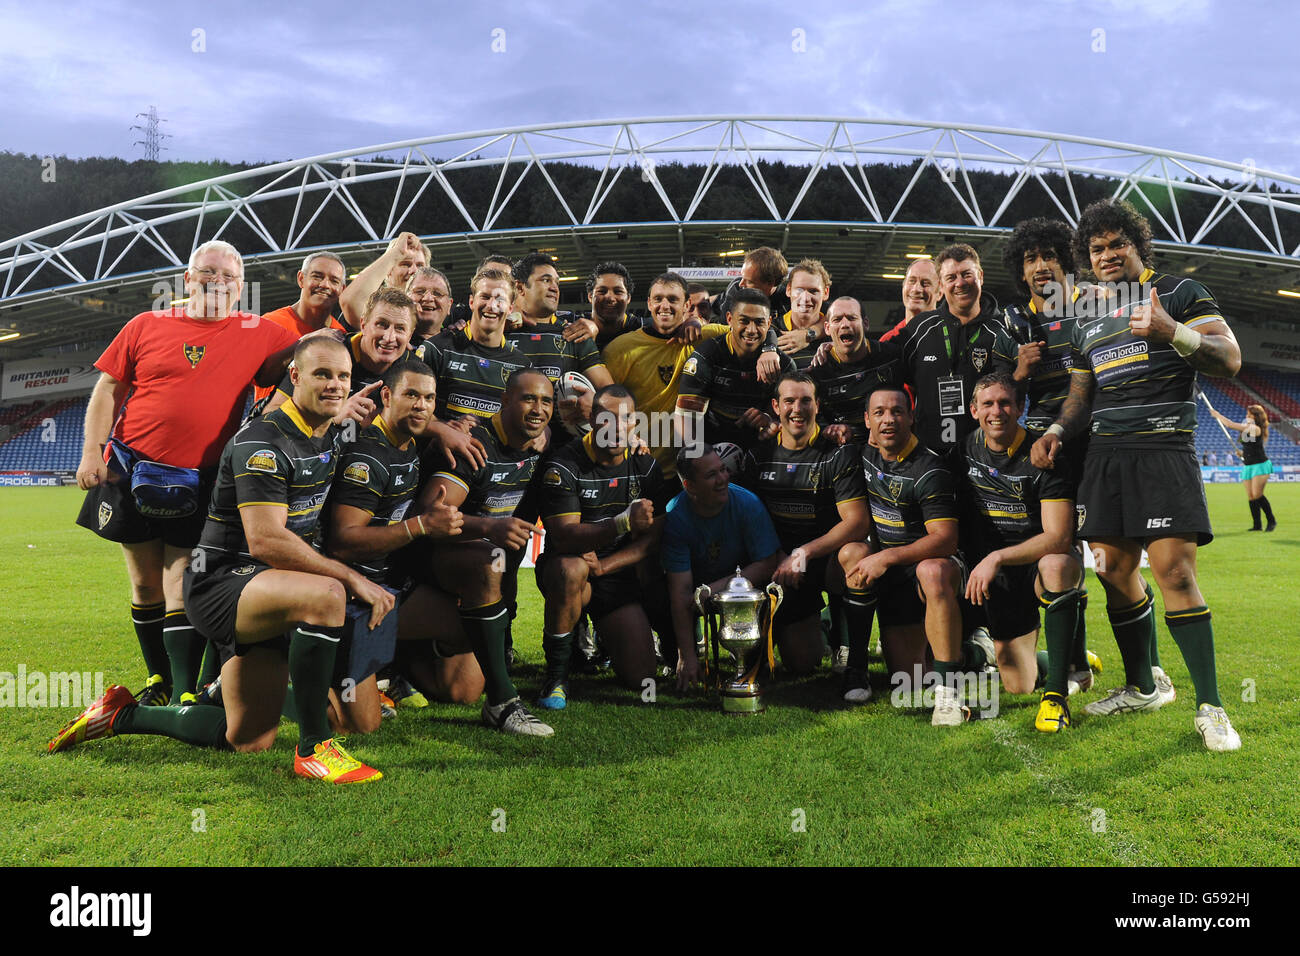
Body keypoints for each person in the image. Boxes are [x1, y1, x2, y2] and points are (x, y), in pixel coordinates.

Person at [52, 336, 395, 784]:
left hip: (273, 588)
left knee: (247, 738)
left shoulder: (326, 432)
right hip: (221, 584)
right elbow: (266, 541)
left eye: (342, 377)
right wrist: (353, 579)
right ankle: (314, 750)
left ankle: (122, 715)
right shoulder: (263, 442)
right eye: (322, 374)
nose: (335, 385)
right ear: (294, 377)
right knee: (328, 593)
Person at [1031, 198, 1243, 751]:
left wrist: (1173, 330)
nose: (1106, 254)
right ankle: (1144, 686)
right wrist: (1056, 431)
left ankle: (1211, 707)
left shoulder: (1178, 293)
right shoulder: (1086, 316)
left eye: (1116, 243)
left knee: (1174, 573)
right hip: (1105, 457)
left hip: (1163, 451)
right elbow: (1081, 398)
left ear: (1136, 245)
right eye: (1096, 248)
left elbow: (1230, 357)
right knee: (1111, 569)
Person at [74, 240, 301, 708]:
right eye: (208, 272)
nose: (217, 281)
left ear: (241, 287)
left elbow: (322, 346)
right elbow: (107, 389)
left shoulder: (259, 332)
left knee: (182, 579)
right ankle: (158, 680)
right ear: (187, 279)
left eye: (228, 276)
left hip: (203, 479)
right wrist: (91, 453)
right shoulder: (145, 324)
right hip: (129, 466)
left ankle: (182, 688)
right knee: (143, 583)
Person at [398, 367, 556, 734]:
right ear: (504, 401)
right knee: (488, 563)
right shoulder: (472, 446)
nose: (538, 409)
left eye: (546, 401)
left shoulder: (538, 443)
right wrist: (490, 527)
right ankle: (504, 703)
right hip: (425, 562)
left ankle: (402, 657)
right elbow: (430, 516)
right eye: (528, 398)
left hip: (475, 575)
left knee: (462, 689)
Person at [321, 359, 463, 733]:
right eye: (411, 395)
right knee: (361, 726)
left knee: (467, 636)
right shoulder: (367, 454)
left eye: (429, 398)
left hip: (386, 584)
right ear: (386, 395)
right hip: (348, 589)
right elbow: (343, 543)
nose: (421, 405)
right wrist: (421, 525)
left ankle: (395, 667)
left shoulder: (409, 444)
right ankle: (288, 674)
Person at [1002, 217, 1099, 692]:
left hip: (1097, 443)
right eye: (1030, 259)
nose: (1040, 266)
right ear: (1021, 273)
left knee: (1110, 559)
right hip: (1045, 450)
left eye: (1050, 256)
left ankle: (1150, 673)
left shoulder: (1095, 305)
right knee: (1055, 557)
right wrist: (1017, 373)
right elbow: (998, 397)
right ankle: (1074, 664)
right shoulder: (1014, 321)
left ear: (1067, 260)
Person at [837, 387, 968, 727]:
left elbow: (946, 540)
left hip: (932, 569)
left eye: (897, 411)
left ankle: (949, 693)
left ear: (911, 417)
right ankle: (857, 669)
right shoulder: (863, 454)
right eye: (879, 412)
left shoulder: (929, 468)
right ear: (866, 420)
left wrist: (887, 558)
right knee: (909, 677)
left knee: (931, 571)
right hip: (896, 577)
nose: (888, 419)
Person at [534, 385, 672, 707]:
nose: (616, 427)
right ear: (593, 420)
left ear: (634, 423)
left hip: (614, 575)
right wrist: (623, 523)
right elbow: (565, 537)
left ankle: (608, 638)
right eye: (607, 418)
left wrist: (607, 566)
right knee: (572, 570)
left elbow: (655, 537)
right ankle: (555, 677)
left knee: (642, 678)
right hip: (568, 570)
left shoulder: (646, 466)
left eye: (624, 419)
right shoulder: (564, 464)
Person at [961, 373, 1083, 732]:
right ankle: (1060, 657)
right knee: (1017, 684)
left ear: (1019, 409)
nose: (996, 411)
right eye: (987, 404)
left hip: (1034, 563)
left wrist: (996, 557)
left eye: (1004, 403)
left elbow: (1059, 537)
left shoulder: (1043, 454)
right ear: (973, 410)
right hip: (997, 575)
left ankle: (1056, 694)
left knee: (1058, 565)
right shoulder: (965, 449)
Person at [737, 373, 872, 693]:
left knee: (856, 555)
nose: (797, 409)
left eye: (805, 401)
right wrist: (780, 556)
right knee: (803, 663)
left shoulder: (838, 453)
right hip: (779, 563)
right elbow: (747, 521)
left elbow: (857, 523)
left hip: (823, 559)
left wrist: (804, 553)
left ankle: (852, 656)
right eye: (789, 401)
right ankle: (817, 621)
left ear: (817, 405)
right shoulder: (758, 456)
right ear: (775, 406)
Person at [603, 272, 780, 479]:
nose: (665, 306)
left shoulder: (705, 336)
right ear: (649, 303)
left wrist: (770, 349)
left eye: (673, 299)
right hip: (636, 465)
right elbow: (603, 408)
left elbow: (754, 327)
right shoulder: (620, 350)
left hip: (688, 468)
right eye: (658, 299)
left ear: (687, 305)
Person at [663, 446, 784, 690]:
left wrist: (716, 589)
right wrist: (686, 656)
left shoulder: (748, 504)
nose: (722, 480)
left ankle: (747, 650)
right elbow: (680, 592)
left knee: (805, 659)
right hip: (693, 593)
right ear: (689, 486)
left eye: (723, 470)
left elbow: (768, 563)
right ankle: (676, 650)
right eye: (711, 475)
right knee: (658, 595)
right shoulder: (675, 515)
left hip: (739, 592)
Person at [894, 244, 1018, 472]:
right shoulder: (920, 329)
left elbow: (1016, 389)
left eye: (967, 274)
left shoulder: (1004, 330)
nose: (960, 283)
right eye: (951, 277)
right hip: (927, 460)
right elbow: (880, 362)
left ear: (980, 276)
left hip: (986, 463)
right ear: (941, 285)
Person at [675, 288, 797, 452]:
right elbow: (687, 419)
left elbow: (791, 420)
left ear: (769, 323)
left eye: (759, 322)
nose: (751, 330)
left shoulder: (784, 365)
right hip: (710, 447)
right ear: (729, 319)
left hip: (759, 452)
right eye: (744, 321)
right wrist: (697, 461)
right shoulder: (706, 356)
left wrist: (770, 420)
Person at [415, 268, 533, 424]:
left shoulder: (522, 365)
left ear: (510, 308)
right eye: (484, 297)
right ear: (471, 301)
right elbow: (411, 406)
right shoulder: (436, 350)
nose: (492, 306)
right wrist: (444, 430)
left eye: (500, 299)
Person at [809, 295, 905, 447]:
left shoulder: (891, 356)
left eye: (852, 318)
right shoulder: (818, 369)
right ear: (827, 328)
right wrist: (828, 429)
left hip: (885, 448)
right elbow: (812, 418)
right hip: (839, 451)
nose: (845, 324)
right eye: (837, 319)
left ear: (865, 323)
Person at [253, 251, 348, 402]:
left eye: (334, 281)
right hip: (272, 422)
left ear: (342, 289)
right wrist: (305, 342)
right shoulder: (270, 322)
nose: (324, 285)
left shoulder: (340, 334)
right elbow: (261, 378)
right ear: (301, 279)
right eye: (317, 276)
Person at [337, 232, 429, 332]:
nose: (414, 271)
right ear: (388, 271)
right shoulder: (373, 308)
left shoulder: (435, 315)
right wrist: (398, 252)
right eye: (405, 264)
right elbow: (350, 301)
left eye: (420, 266)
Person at [1208, 402, 1276, 531]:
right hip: (1248, 465)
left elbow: (1230, 425)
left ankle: (1271, 521)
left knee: (1257, 494)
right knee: (1251, 496)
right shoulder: (1248, 429)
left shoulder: (1255, 428)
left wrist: (1217, 415)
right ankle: (1257, 525)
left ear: (1256, 417)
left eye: (1249, 414)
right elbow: (1250, 447)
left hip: (1260, 465)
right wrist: (1242, 453)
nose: (1247, 416)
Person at [772, 259, 832, 368]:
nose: (805, 298)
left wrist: (808, 335)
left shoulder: (835, 333)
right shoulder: (771, 329)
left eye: (813, 291)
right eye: (799, 290)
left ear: (826, 293)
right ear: (788, 290)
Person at [880, 257, 942, 343]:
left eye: (925, 283)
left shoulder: (951, 337)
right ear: (903, 287)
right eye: (911, 281)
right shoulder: (888, 340)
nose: (916, 289)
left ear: (940, 293)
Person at [405, 266, 458, 345]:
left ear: (449, 305)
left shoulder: (460, 345)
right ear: (405, 298)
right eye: (419, 292)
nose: (428, 298)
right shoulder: (392, 343)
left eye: (437, 293)